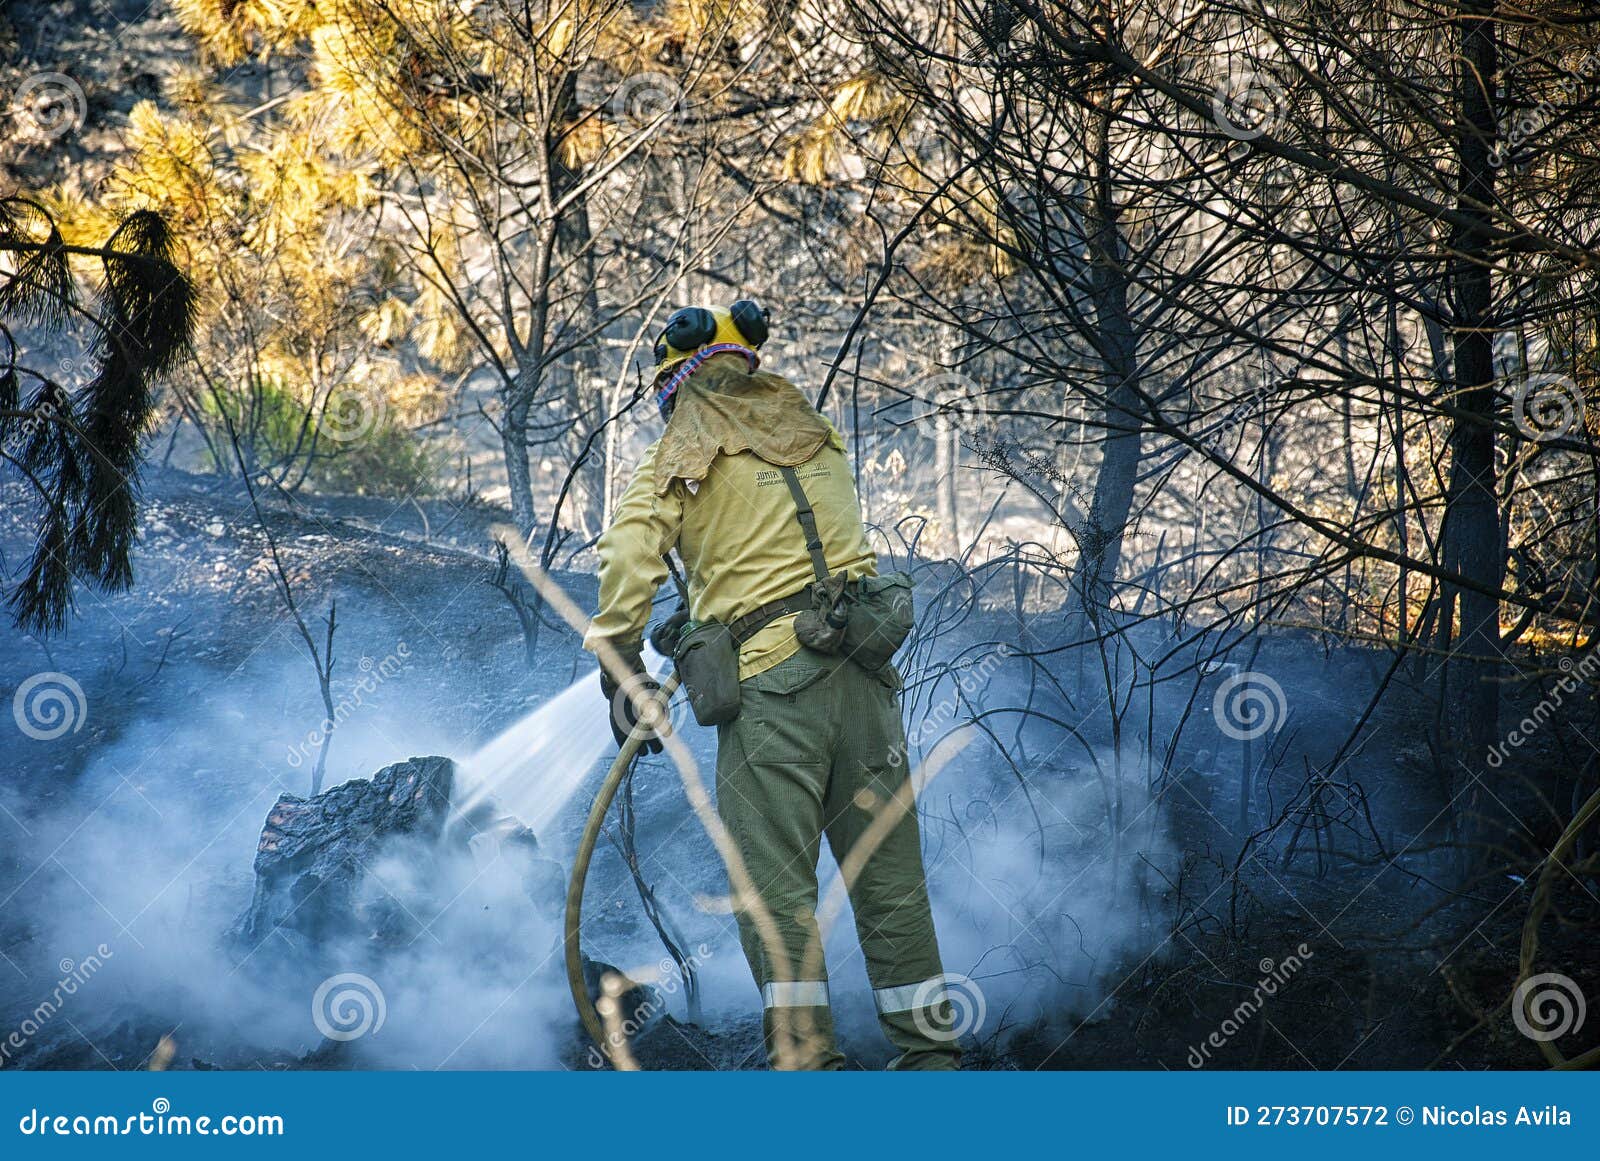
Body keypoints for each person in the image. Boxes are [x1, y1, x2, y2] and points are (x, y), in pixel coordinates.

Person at [583, 301, 961, 1070]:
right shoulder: (813, 435)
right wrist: (702, 610)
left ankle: (809, 1075)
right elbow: (794, 556)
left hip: (772, 698)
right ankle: (931, 1065)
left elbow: (626, 563)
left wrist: (620, 668)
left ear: (680, 383)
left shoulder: (685, 447)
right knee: (891, 887)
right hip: (866, 689)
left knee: (777, 898)